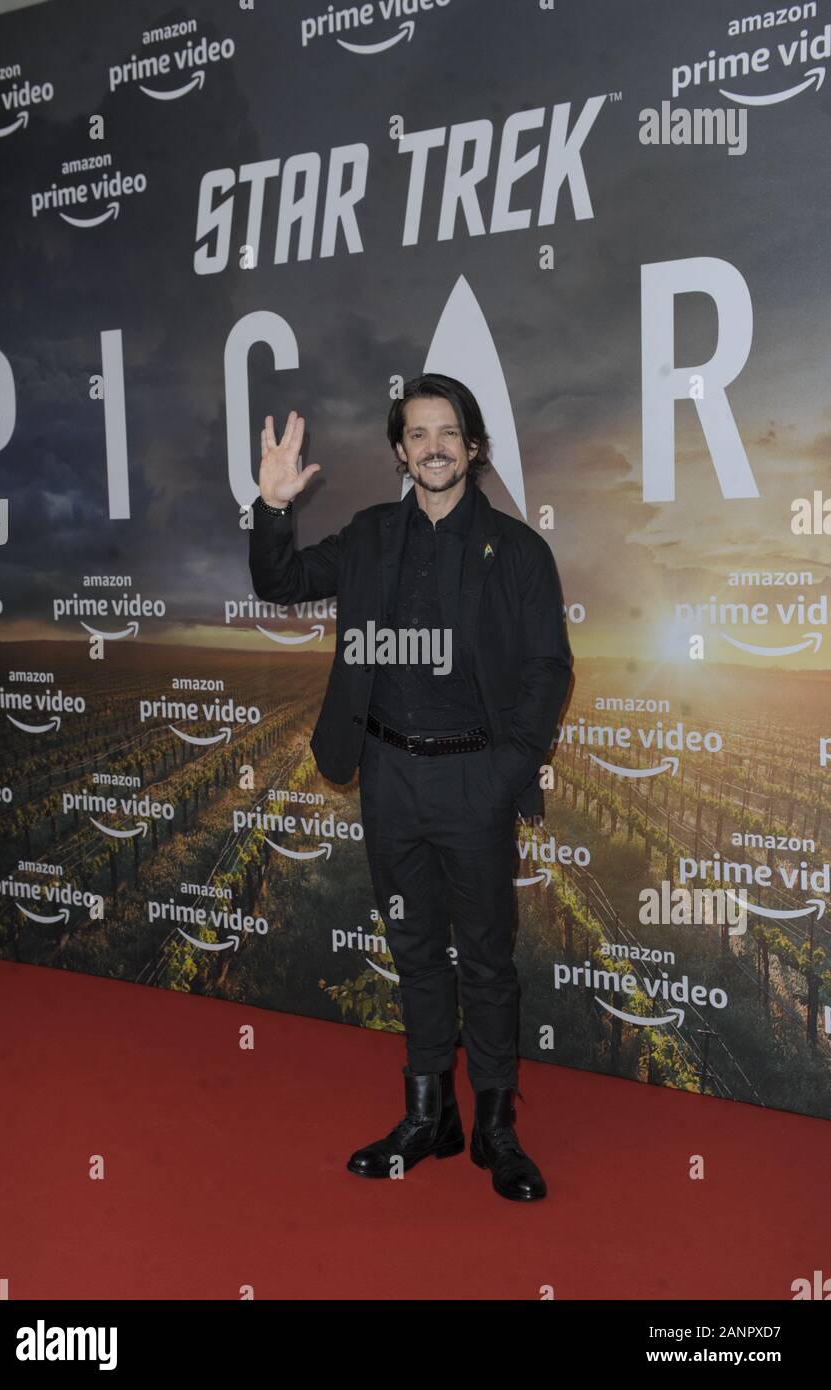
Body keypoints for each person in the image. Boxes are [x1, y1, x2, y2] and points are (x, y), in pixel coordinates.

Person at [248, 374, 573, 1202]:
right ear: (400, 450)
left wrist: (502, 774)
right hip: (388, 773)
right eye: (417, 433)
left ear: (471, 448)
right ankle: (428, 1116)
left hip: (475, 777)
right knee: (415, 951)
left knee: (488, 959)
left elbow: (548, 671)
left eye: (447, 433)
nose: (433, 446)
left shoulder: (519, 551)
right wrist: (273, 506)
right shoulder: (368, 536)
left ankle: (495, 1126)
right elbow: (278, 584)